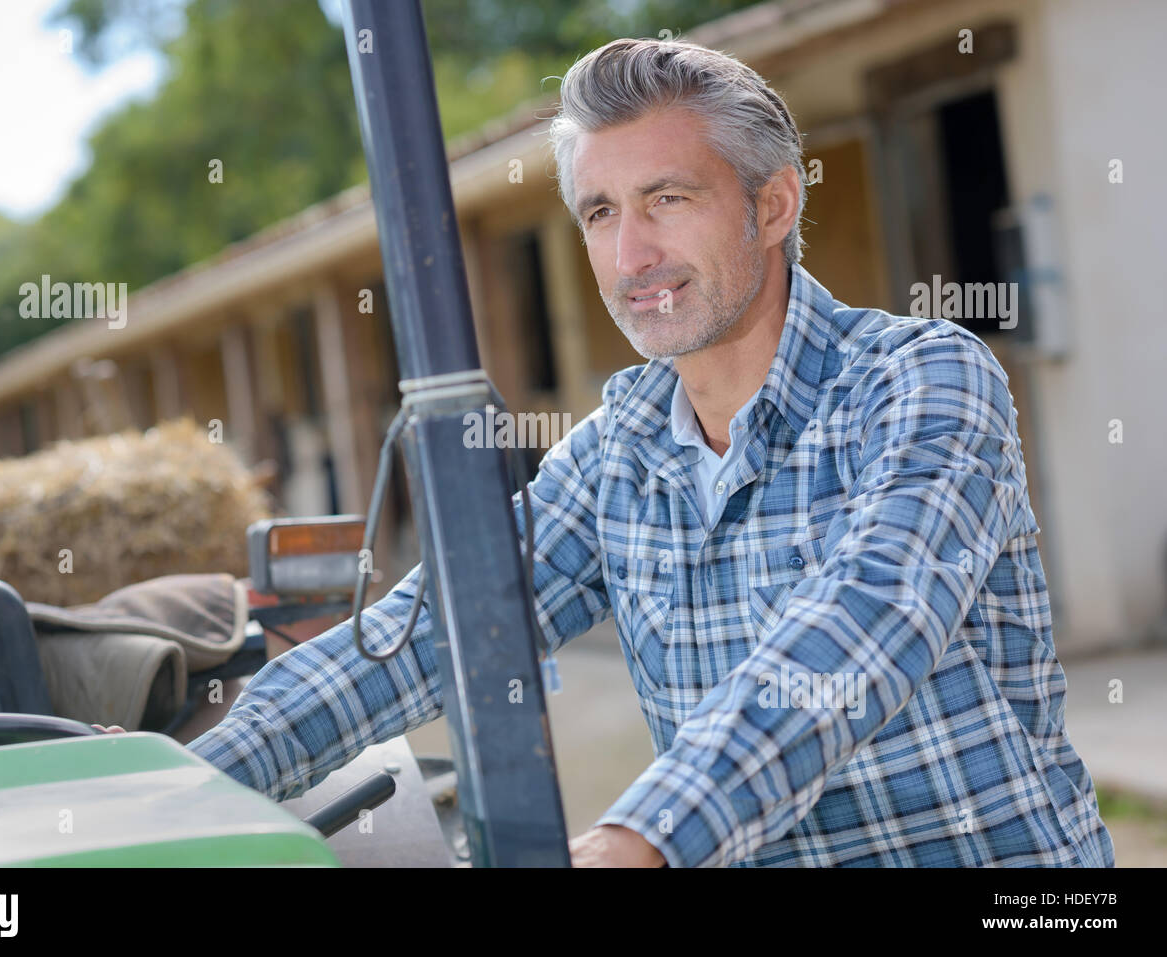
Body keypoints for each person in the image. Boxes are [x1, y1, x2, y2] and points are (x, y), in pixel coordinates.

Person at [145, 38, 1112, 868]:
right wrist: (178, 790)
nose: (629, 255)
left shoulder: (922, 379)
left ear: (773, 206)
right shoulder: (616, 453)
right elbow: (435, 631)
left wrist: (641, 835)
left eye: (667, 198)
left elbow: (864, 620)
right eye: (602, 212)